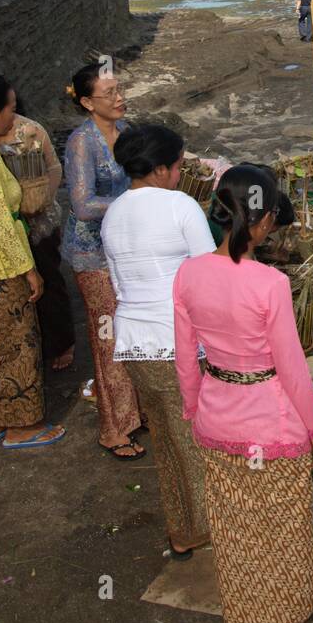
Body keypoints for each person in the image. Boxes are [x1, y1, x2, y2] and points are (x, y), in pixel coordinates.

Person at [173, 164, 313, 623]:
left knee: (233, 527)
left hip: (217, 421)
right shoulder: (269, 284)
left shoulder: (188, 273)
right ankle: (278, 615)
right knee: (279, 525)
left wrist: (195, 410)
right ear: (262, 224)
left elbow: (185, 359)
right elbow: (293, 371)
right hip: (272, 426)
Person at [102, 124, 216, 557]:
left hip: (134, 345)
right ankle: (213, 530)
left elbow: (118, 283)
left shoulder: (113, 214)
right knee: (198, 442)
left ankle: (182, 530)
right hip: (177, 343)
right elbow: (208, 280)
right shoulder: (180, 206)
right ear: (162, 168)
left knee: (168, 441)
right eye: (180, 165)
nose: (181, 173)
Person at [0, 74, 65, 450]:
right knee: (15, 345)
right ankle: (23, 426)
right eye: (10, 108)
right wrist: (28, 270)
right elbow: (0, 219)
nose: (14, 116)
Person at [63, 62, 144, 460]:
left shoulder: (128, 133)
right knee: (108, 335)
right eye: (109, 93)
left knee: (130, 328)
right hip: (91, 253)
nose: (119, 98)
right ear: (86, 102)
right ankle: (113, 429)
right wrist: (134, 203)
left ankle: (133, 411)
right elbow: (82, 205)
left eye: (119, 89)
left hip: (125, 249)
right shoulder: (82, 142)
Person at [0, 82, 76, 371]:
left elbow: (53, 167)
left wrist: (40, 198)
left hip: (38, 221)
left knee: (47, 280)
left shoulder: (29, 132)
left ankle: (60, 343)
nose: (12, 115)